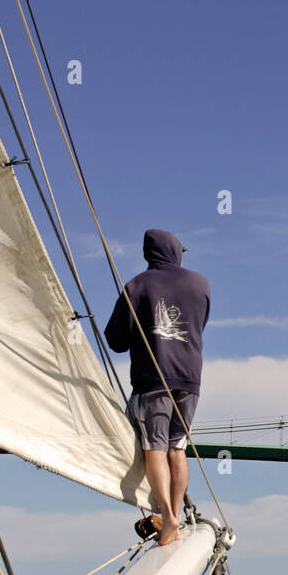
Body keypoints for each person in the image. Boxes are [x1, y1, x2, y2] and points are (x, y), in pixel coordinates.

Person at [105, 229, 210, 546]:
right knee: (177, 449)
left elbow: (115, 341)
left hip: (153, 381)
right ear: (176, 251)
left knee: (155, 448)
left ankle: (168, 515)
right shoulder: (200, 284)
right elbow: (199, 324)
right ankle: (173, 516)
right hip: (190, 380)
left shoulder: (137, 286)